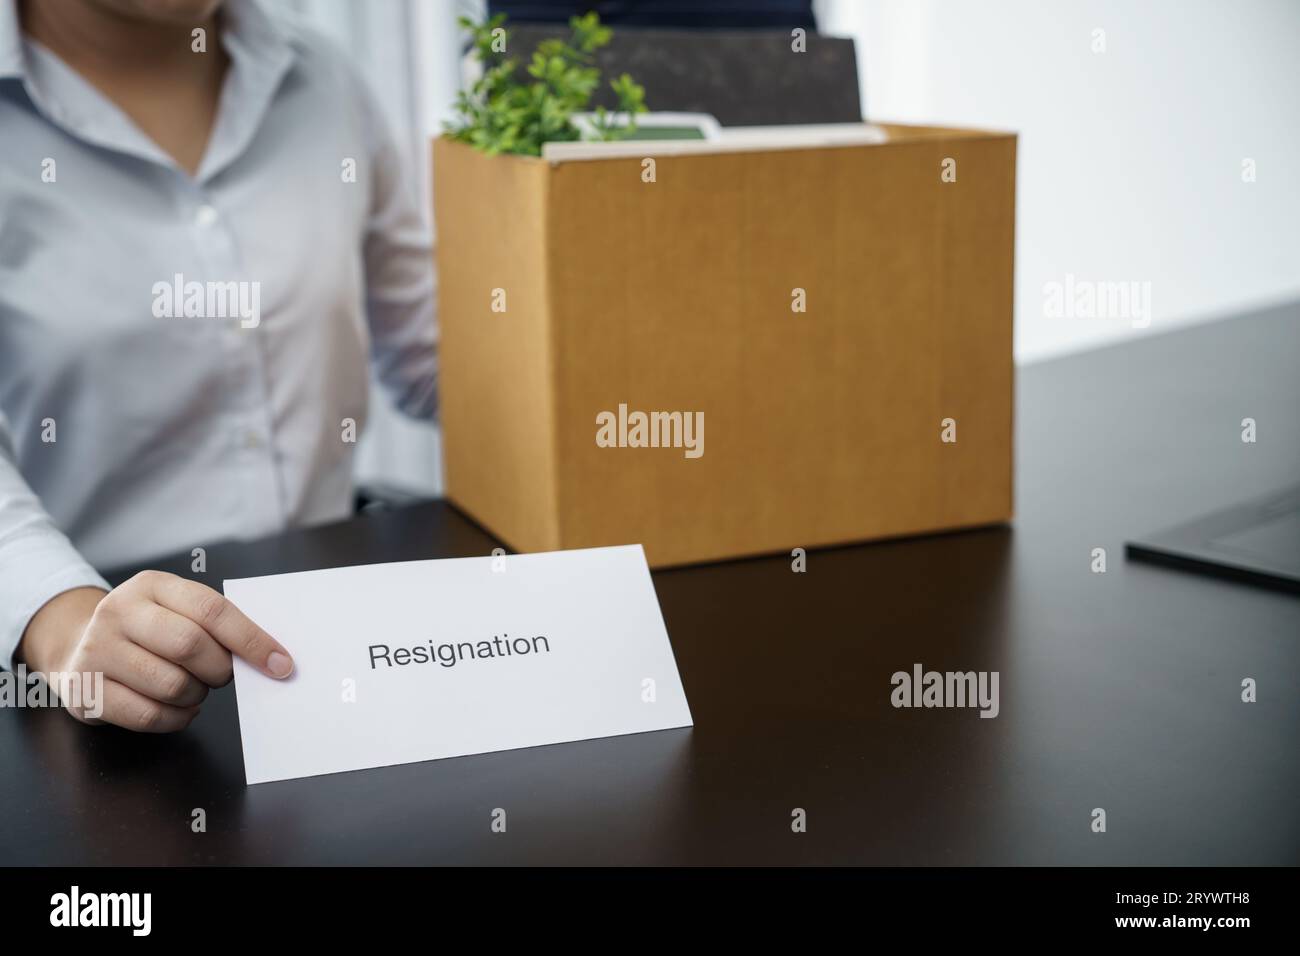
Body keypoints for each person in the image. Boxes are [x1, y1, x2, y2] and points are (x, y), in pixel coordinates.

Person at [0, 0, 439, 731]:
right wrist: (58, 613)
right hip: (76, 684)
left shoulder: (323, 78)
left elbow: (432, 355)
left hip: (323, 654)